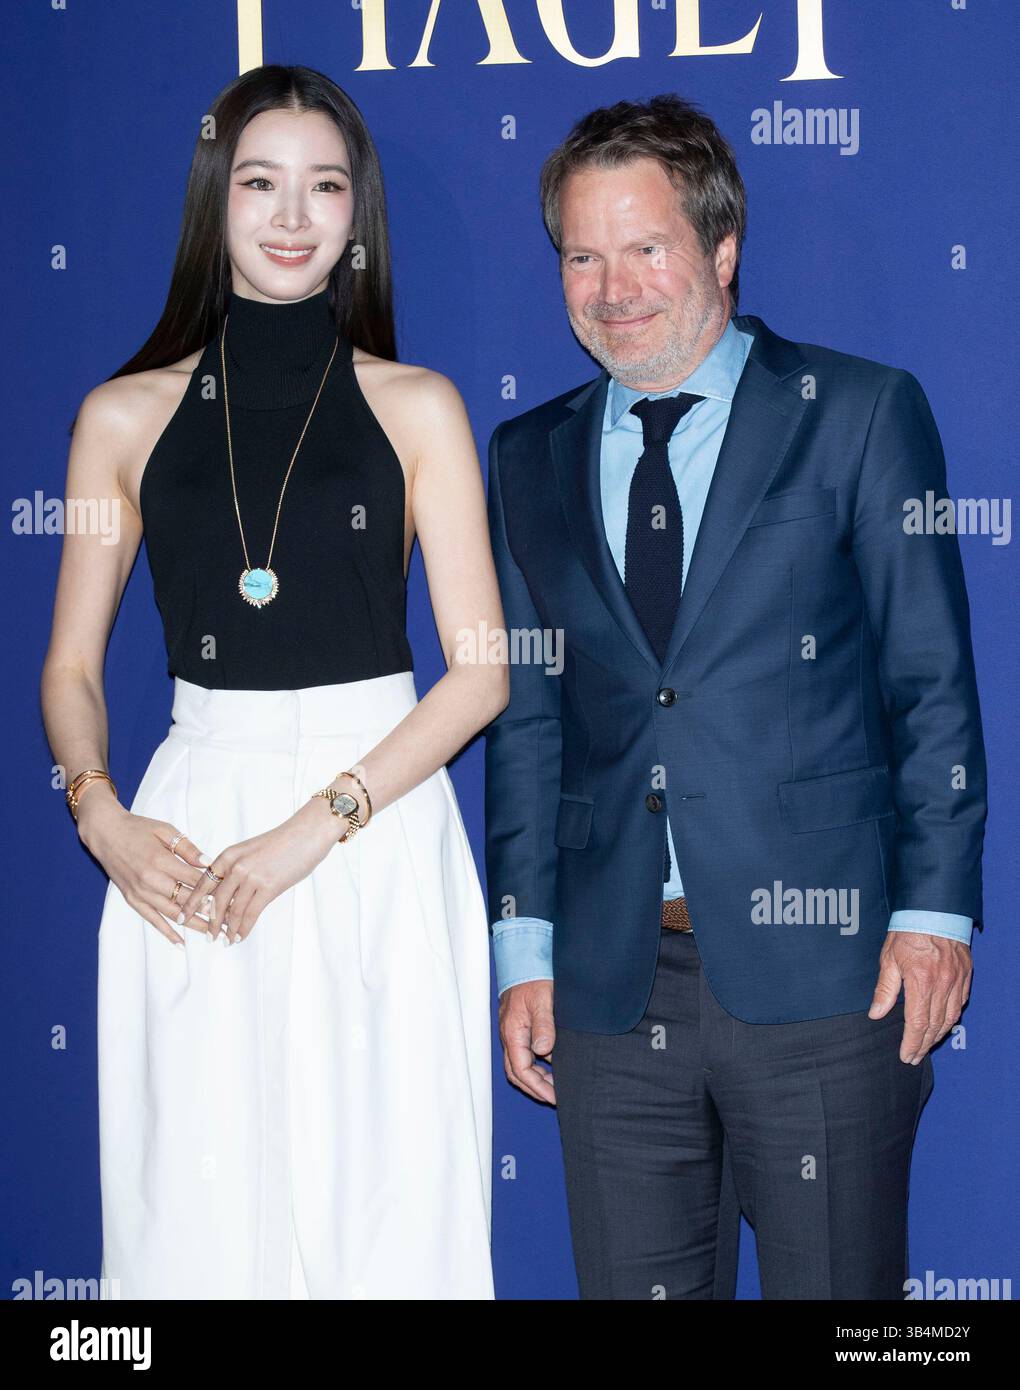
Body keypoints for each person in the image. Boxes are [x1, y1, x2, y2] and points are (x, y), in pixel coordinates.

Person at [484, 94, 986, 1300]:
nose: (613, 289)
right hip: (610, 989)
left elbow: (931, 686)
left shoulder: (858, 413)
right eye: (582, 256)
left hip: (828, 975)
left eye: (645, 248)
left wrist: (936, 917)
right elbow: (530, 721)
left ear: (720, 248)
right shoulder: (527, 455)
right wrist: (524, 947)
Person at [40, 64, 506, 1300]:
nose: (291, 215)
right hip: (181, 831)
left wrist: (319, 824)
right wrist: (100, 814)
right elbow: (71, 667)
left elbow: (482, 674)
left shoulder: (422, 408)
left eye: (323, 186)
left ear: (360, 217)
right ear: (216, 199)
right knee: (190, 1218)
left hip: (377, 818)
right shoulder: (119, 419)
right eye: (260, 182)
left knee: (396, 1215)